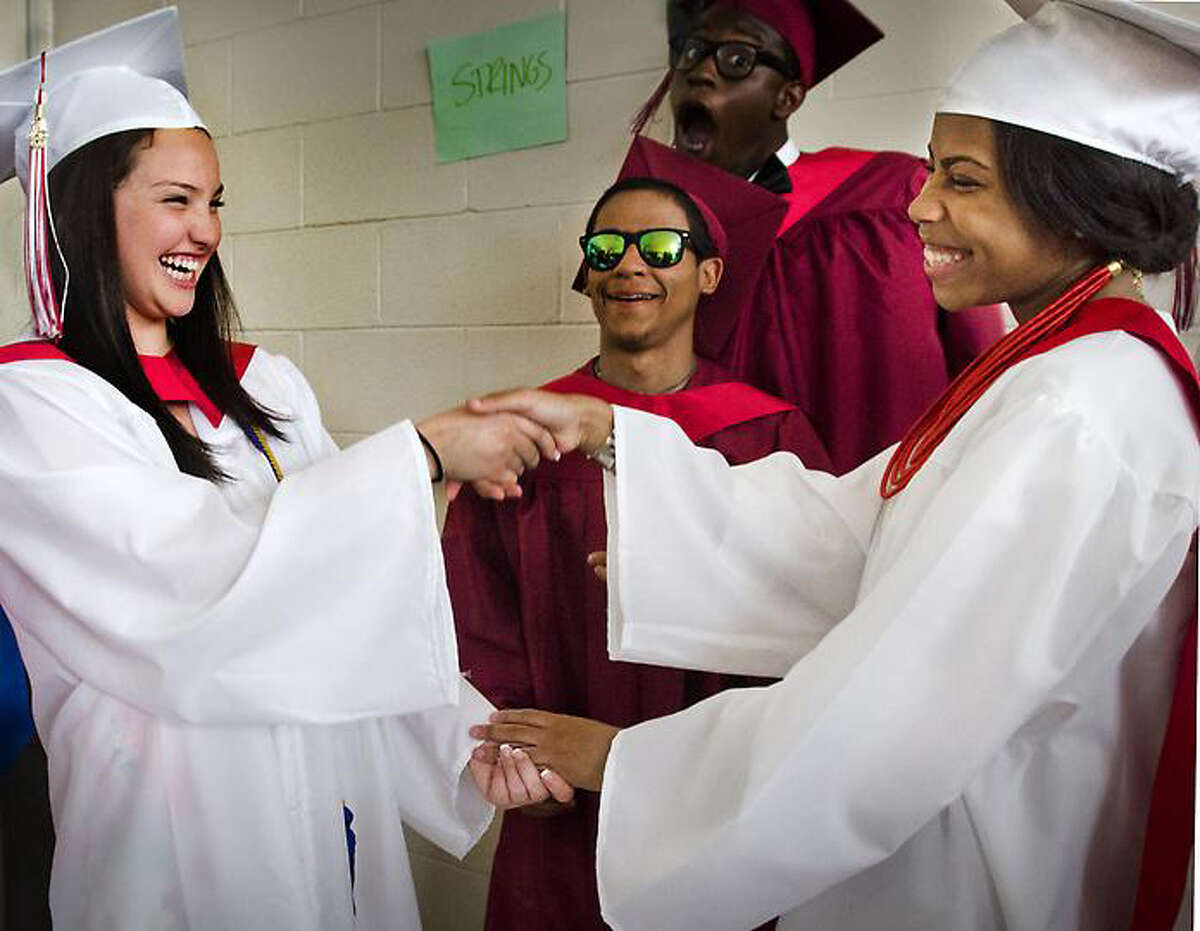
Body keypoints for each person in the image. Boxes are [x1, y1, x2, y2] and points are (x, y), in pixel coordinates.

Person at [470, 1, 1200, 927]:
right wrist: (621, 453)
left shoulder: (1075, 408)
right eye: (932, 169)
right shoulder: (1066, 368)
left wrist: (623, 762)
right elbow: (867, 526)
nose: (920, 202)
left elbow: (887, 717)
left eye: (962, 179)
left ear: (1074, 194)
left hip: (983, 877)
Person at [0, 11, 571, 929]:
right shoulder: (30, 405)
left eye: (217, 201)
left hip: (321, 796)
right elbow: (189, 582)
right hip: (163, 831)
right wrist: (418, 454)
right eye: (177, 198)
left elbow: (347, 602)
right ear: (82, 205)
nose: (207, 229)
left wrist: (468, 740)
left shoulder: (267, 383)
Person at [444, 176, 830, 930]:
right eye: (607, 249)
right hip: (560, 802)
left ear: (709, 273)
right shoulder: (530, 431)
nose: (630, 265)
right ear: (586, 273)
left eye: (660, 247)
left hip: (717, 802)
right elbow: (475, 609)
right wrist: (515, 753)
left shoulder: (771, 435)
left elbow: (810, 625)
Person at [612, 0, 1008, 473]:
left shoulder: (897, 192)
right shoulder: (658, 236)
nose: (698, 72)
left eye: (736, 59)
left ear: (788, 97)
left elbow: (980, 363)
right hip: (729, 518)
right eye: (692, 52)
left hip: (894, 510)